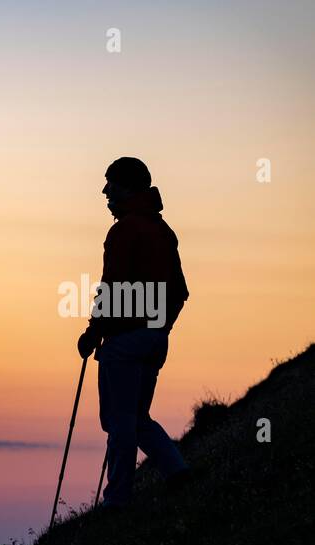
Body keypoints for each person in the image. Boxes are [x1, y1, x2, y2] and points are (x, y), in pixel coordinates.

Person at [77, 157, 191, 506]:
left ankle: (118, 500)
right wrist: (161, 327)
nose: (105, 191)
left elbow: (111, 287)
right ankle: (178, 472)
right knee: (136, 416)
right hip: (156, 339)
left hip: (124, 341)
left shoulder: (124, 230)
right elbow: (181, 291)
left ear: (126, 187)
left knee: (120, 420)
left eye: (110, 183)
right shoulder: (162, 230)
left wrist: (94, 332)